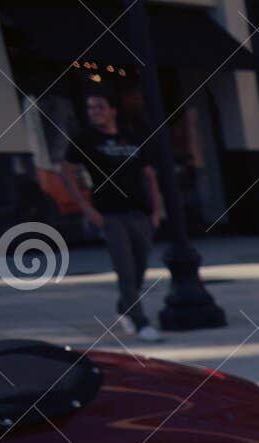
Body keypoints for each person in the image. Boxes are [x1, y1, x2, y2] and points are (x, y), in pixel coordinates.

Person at [61, 91, 164, 342]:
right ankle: (139, 321)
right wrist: (87, 209)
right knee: (125, 268)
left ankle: (124, 307)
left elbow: (150, 176)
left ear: (112, 111)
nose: (95, 112)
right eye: (90, 108)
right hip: (110, 213)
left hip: (139, 211)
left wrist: (157, 209)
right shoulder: (86, 140)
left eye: (100, 107)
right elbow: (67, 173)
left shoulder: (132, 138)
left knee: (140, 265)